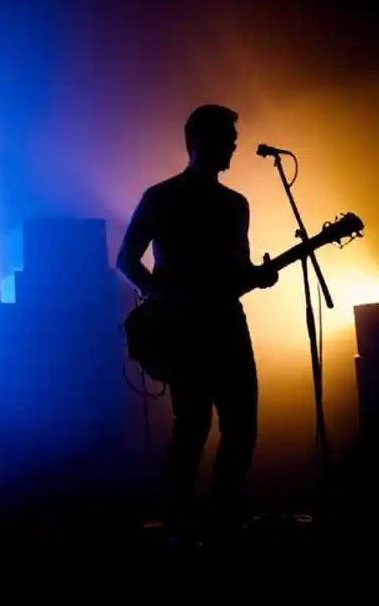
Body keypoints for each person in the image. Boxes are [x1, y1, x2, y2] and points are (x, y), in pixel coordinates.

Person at [116, 104, 279, 546]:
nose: (234, 145)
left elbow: (236, 274)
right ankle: (184, 525)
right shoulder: (163, 197)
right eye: (227, 136)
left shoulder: (234, 204)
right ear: (201, 140)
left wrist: (257, 278)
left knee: (235, 426)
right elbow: (126, 259)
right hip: (193, 330)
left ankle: (214, 521)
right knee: (196, 426)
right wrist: (162, 296)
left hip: (223, 324)